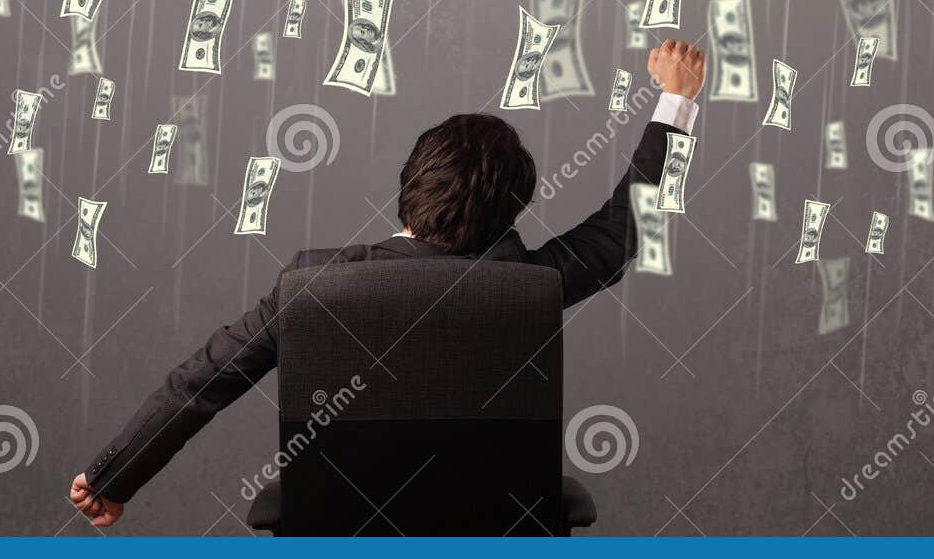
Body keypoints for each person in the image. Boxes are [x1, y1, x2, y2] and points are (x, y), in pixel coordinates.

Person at [69, 39, 706, 526]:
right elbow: (631, 222)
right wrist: (675, 98)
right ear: (510, 214)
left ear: (408, 190)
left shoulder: (311, 284)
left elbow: (204, 380)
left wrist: (112, 478)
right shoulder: (533, 283)